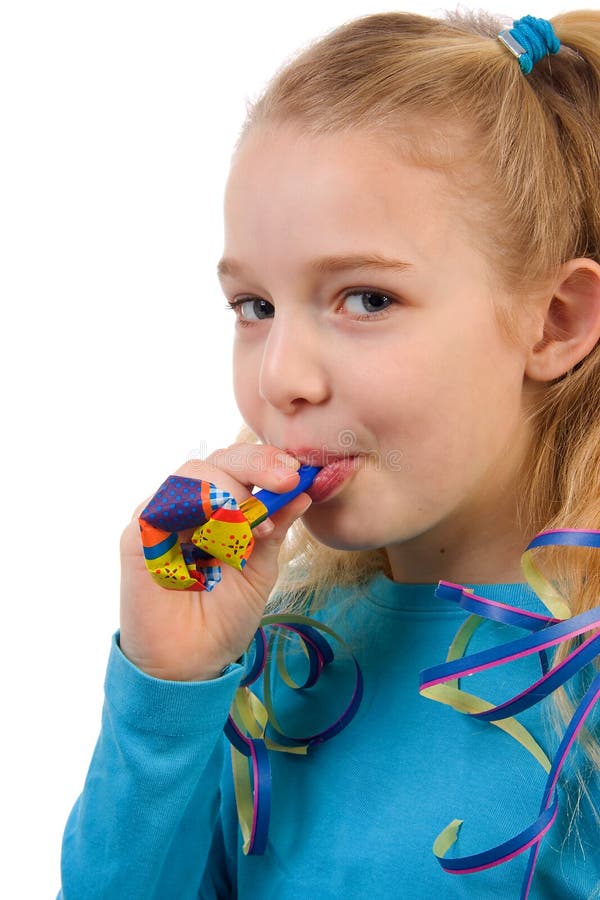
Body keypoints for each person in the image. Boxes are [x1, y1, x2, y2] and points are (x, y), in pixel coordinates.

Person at [58, 9, 600, 898]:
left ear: (555, 321)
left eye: (366, 299)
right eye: (254, 307)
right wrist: (169, 685)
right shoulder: (268, 661)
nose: (282, 378)